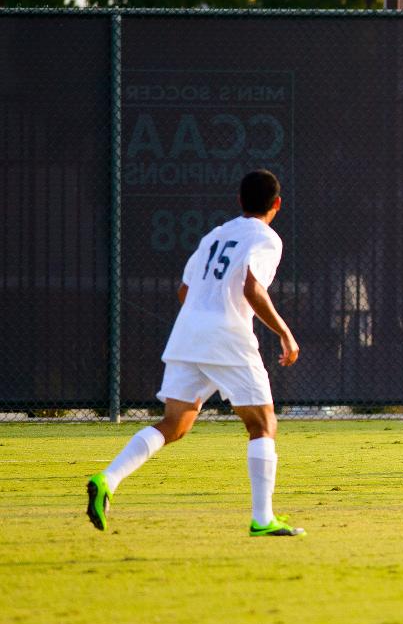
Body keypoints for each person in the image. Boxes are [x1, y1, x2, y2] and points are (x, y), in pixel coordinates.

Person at [86, 170, 304, 536]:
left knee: (175, 424)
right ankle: (263, 519)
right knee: (263, 425)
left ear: (239, 201)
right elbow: (252, 288)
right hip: (227, 335)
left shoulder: (215, 235)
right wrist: (285, 333)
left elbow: (185, 292)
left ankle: (107, 478)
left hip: (187, 333)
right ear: (277, 204)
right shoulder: (267, 238)